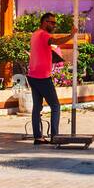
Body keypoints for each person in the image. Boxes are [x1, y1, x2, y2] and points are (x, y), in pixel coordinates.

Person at [27, 12, 71, 143]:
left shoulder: (35, 34)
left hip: (32, 75)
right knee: (55, 106)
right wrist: (72, 35)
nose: (54, 25)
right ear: (44, 22)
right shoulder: (44, 35)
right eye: (52, 22)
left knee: (37, 107)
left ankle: (38, 137)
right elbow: (56, 41)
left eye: (55, 23)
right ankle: (55, 136)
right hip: (42, 76)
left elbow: (42, 50)